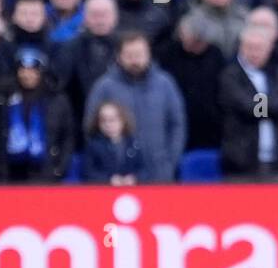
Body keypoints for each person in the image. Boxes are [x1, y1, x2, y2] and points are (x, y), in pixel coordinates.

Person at [84, 30, 188, 182]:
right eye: (129, 55)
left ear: (149, 54)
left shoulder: (165, 84)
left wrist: (170, 162)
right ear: (119, 57)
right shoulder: (104, 87)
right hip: (118, 179)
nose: (135, 61)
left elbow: (177, 125)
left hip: (159, 173)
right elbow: (91, 127)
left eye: (139, 54)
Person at [218, 24, 278, 179]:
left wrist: (263, 104)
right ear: (241, 48)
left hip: (277, 161)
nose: (254, 53)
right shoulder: (231, 76)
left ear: (269, 49)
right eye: (250, 47)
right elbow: (248, 107)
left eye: (259, 48)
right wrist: (275, 105)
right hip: (241, 163)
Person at [0, 46, 75, 182]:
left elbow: (67, 136)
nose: (27, 75)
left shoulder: (56, 98)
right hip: (9, 173)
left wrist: (60, 168)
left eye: (33, 70)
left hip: (44, 172)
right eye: (23, 70)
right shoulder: (2, 96)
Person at [157, 10, 227, 150]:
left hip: (210, 126)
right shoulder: (167, 54)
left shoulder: (216, 55)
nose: (193, 46)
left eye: (198, 43)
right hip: (176, 121)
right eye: (190, 40)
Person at [84, 99, 145, 184]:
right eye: (103, 120)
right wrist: (108, 180)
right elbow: (88, 173)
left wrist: (134, 178)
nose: (108, 124)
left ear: (123, 121)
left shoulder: (133, 144)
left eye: (112, 120)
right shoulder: (94, 146)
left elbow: (144, 170)